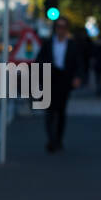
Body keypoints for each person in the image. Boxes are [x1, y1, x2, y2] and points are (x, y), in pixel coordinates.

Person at [36, 17, 84, 152]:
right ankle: (51, 140)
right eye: (58, 27)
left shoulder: (72, 45)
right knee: (49, 111)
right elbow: (39, 60)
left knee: (61, 111)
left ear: (67, 29)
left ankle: (58, 138)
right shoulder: (48, 43)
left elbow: (78, 63)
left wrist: (78, 77)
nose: (60, 30)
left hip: (64, 80)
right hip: (50, 78)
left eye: (63, 27)